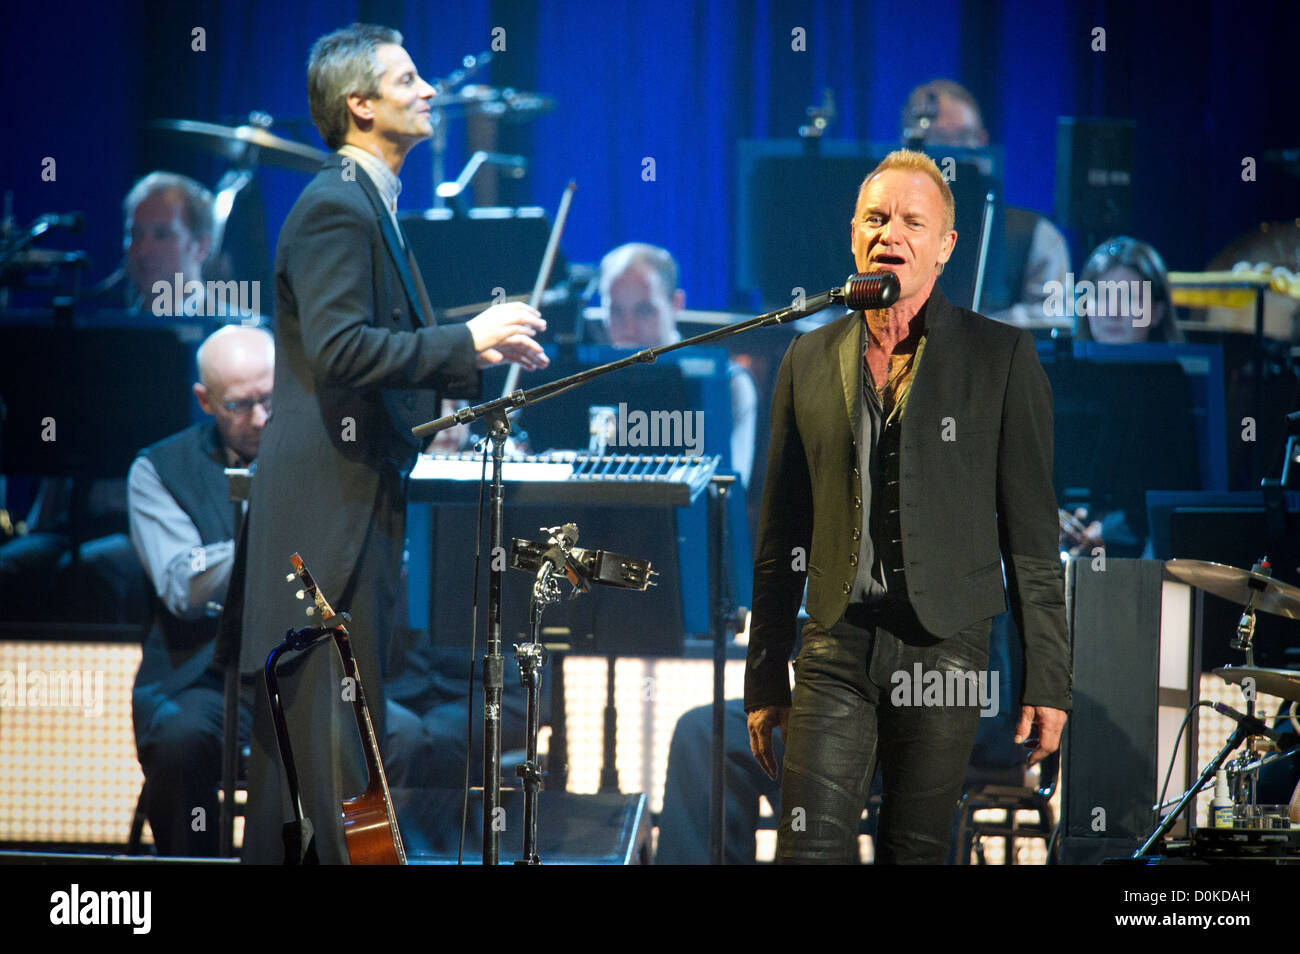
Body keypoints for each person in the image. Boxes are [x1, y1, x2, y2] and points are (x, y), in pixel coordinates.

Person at [235, 23, 548, 865]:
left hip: (352, 511)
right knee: (316, 762)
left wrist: (473, 349)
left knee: (322, 767)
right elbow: (341, 350)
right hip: (322, 526)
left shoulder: (366, 200)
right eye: (407, 79)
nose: (431, 90)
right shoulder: (338, 202)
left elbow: (375, 349)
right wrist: (465, 337)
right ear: (359, 105)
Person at [745, 149, 1071, 864]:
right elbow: (780, 535)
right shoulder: (807, 358)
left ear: (945, 247)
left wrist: (1049, 679)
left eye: (911, 221)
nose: (890, 231)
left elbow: (1033, 543)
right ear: (853, 235)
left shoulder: (1001, 359)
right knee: (807, 854)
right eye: (876, 217)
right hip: (834, 643)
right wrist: (764, 674)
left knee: (914, 853)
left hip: (945, 646)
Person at [128, 325, 272, 855]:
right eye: (239, 405)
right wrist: (271, 530)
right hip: (200, 676)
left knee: (380, 735)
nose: (259, 418)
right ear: (204, 400)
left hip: (294, 672)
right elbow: (183, 588)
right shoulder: (157, 469)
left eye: (269, 399)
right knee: (179, 741)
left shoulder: (314, 455)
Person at [900, 79, 1070, 327]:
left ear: (982, 141)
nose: (952, 153)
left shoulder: (1036, 234)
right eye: (936, 139)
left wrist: (968, 329)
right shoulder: (873, 228)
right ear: (908, 146)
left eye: (963, 137)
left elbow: (1055, 316)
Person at [598, 242, 758, 486]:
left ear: (676, 304)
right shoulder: (590, 379)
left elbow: (727, 491)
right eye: (616, 312)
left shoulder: (729, 384)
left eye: (643, 311)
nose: (627, 329)